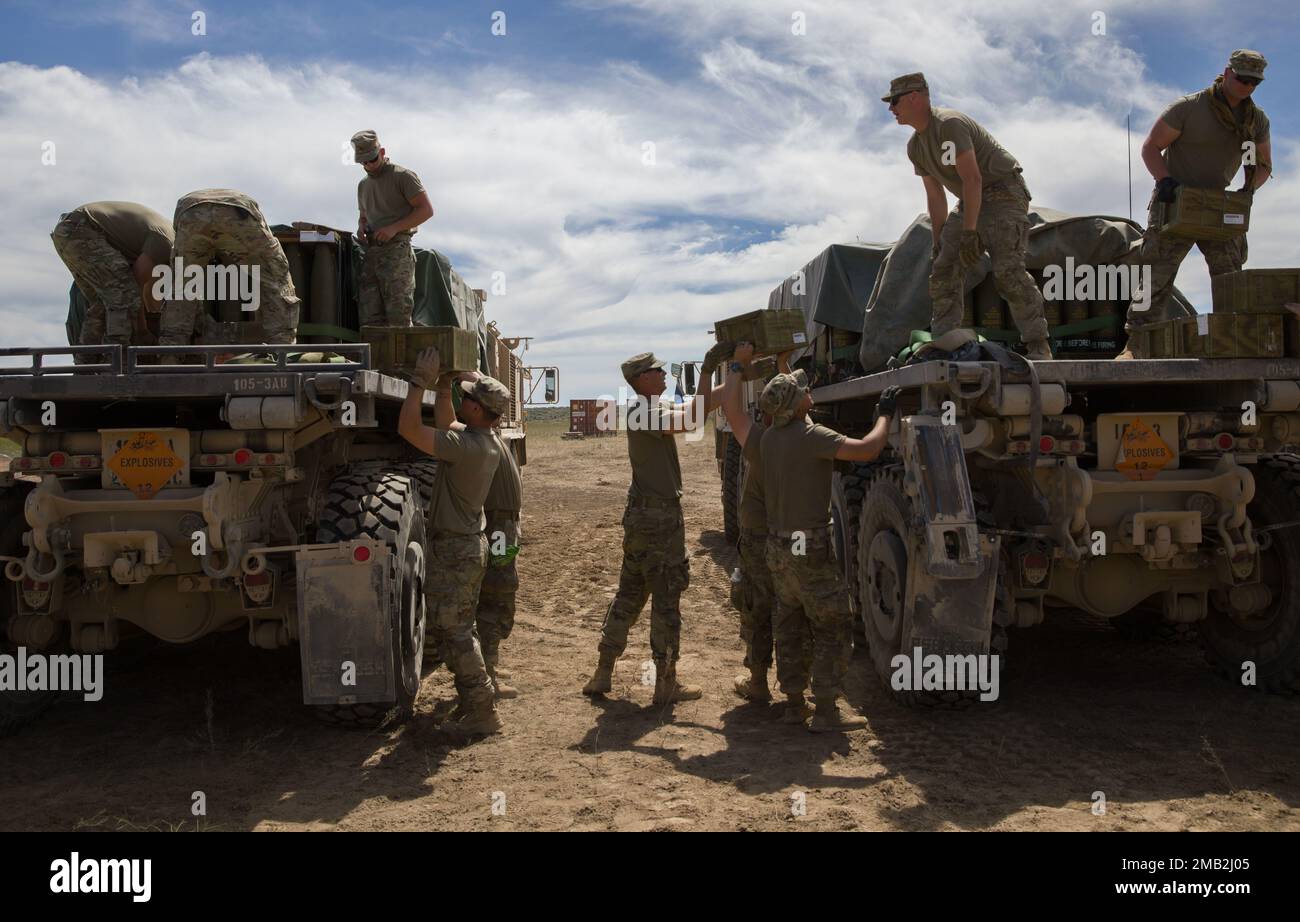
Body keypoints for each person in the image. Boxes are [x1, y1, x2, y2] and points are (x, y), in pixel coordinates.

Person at [581, 343, 733, 706]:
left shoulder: (650, 406)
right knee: (665, 598)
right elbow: (693, 419)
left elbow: (701, 404)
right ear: (641, 379)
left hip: (644, 516)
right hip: (658, 519)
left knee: (630, 593)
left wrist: (740, 370)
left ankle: (603, 672)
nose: (665, 375)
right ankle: (666, 682)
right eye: (658, 371)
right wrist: (709, 370)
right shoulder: (640, 411)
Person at [759, 370, 900, 731]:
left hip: (778, 547)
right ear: (794, 403)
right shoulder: (811, 437)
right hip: (809, 547)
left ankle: (793, 703)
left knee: (789, 623)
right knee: (833, 624)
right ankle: (825, 709)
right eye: (805, 391)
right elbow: (868, 450)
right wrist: (884, 414)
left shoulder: (770, 439)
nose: (811, 393)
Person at [885, 72, 1053, 361]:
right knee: (943, 267)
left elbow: (973, 178)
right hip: (971, 199)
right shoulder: (915, 147)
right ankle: (946, 342)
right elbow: (935, 197)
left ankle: (1038, 344)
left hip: (1003, 191)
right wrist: (939, 242)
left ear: (915, 97)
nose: (891, 109)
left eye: (895, 101)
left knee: (1007, 271)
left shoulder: (949, 124)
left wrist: (970, 233)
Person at [1118, 49, 1272, 359]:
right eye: (1242, 79)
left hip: (1219, 206)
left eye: (1254, 82)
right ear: (1227, 73)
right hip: (1176, 201)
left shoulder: (1255, 120)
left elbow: (1263, 165)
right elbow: (1151, 148)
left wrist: (1246, 192)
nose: (1247, 87)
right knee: (1156, 274)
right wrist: (1165, 182)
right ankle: (1136, 345)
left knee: (1230, 278)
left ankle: (1235, 344)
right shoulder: (1189, 108)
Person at [398, 347, 511, 735]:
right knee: (460, 626)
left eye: (469, 399)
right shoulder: (484, 440)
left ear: (479, 411)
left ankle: (482, 711)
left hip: (455, 550)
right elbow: (449, 423)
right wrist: (445, 386)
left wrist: (419, 383)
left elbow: (409, 430)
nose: (464, 401)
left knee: (455, 631)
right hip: (466, 547)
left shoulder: (468, 447)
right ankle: (475, 703)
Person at [718, 345, 815, 723]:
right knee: (792, 612)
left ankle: (758, 682)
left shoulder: (759, 441)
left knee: (758, 607)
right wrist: (781, 365)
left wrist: (738, 366)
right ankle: (795, 697)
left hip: (759, 537)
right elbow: (798, 399)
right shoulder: (806, 436)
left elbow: (730, 407)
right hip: (791, 536)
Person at [158, 189, 299, 348]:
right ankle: (282, 350)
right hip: (238, 210)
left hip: (189, 212)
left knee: (182, 287)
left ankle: (170, 354)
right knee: (276, 278)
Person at [49, 201, 173, 364]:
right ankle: (114, 362)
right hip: (82, 230)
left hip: (69, 231)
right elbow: (137, 283)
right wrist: (142, 330)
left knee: (103, 303)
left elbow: (147, 292)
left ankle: (85, 363)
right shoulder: (167, 241)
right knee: (123, 296)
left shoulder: (163, 244)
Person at [352, 130, 435, 327]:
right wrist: (361, 226)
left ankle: (400, 358)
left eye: (371, 160)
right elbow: (364, 215)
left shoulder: (403, 176)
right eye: (362, 162)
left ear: (382, 151)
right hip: (371, 253)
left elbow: (426, 210)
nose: (368, 166)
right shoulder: (363, 185)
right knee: (370, 318)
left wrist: (394, 228)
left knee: (398, 314)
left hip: (397, 251)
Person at [476, 385, 523, 700]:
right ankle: (488, 672)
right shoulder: (478, 437)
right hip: (498, 529)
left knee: (502, 590)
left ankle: (490, 663)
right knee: (497, 592)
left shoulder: (491, 434)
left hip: (504, 527)